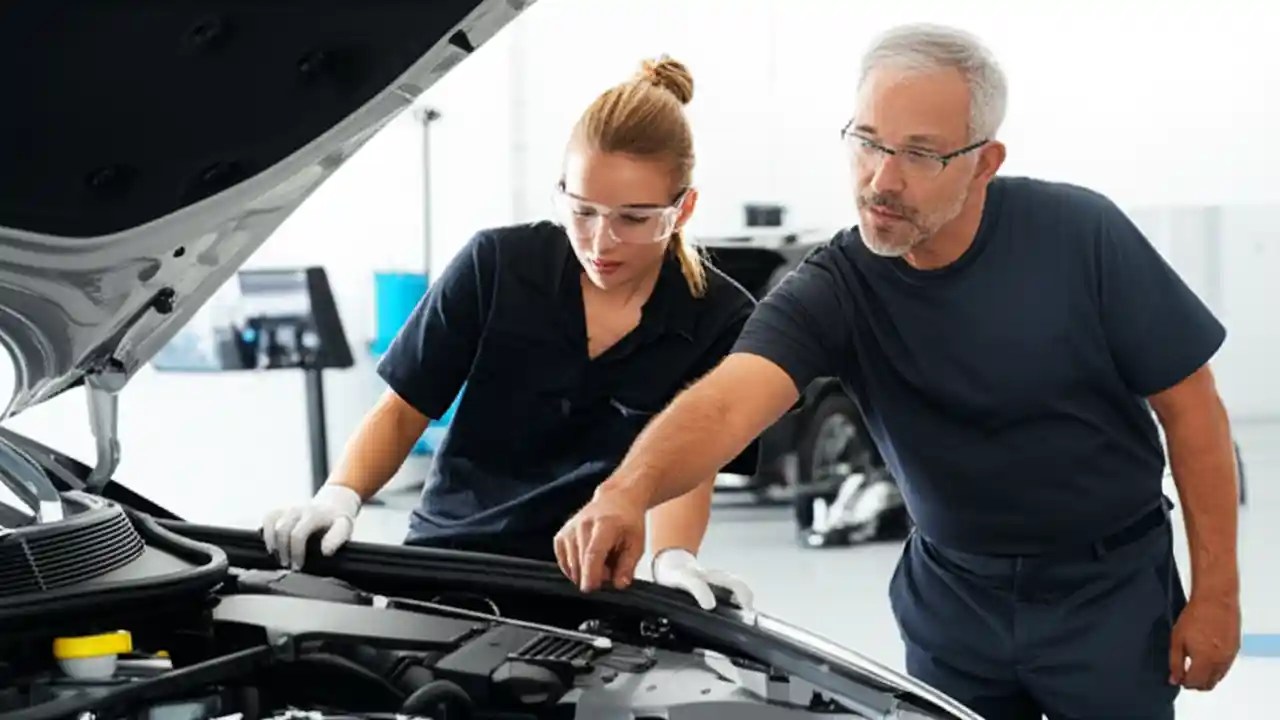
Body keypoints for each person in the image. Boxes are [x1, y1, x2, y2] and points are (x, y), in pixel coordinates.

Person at [554, 24, 1241, 720]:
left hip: (1109, 599)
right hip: (952, 603)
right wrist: (625, 491)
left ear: (984, 162)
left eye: (918, 153)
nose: (883, 179)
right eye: (870, 142)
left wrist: (1217, 594)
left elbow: (1192, 410)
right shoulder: (839, 286)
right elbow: (730, 401)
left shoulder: (1081, 236)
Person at [260, 55, 757, 611]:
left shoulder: (718, 317)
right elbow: (404, 407)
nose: (600, 241)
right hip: (446, 563)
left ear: (682, 209)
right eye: (583, 210)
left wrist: (673, 558)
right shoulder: (495, 265)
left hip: (584, 586)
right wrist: (339, 497)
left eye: (634, 219)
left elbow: (692, 462)